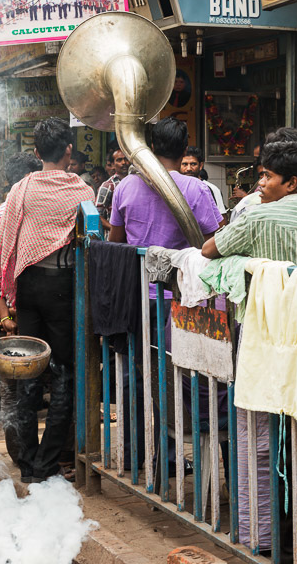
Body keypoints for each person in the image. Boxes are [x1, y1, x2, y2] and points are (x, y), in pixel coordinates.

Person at [202, 140, 297, 564]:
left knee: (276, 446)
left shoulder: (258, 217)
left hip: (272, 344)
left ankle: (278, 541)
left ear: (291, 182)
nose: (259, 183)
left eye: (267, 176)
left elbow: (209, 250)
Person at [109, 117, 223, 471]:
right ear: (185, 150)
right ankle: (170, 457)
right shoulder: (196, 189)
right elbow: (216, 241)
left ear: (151, 147)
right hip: (183, 302)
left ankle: (133, 455)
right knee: (178, 379)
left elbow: (115, 242)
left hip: (137, 297)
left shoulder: (126, 187)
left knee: (136, 374)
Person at [0, 118, 94, 484]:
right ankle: (47, 462)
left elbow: (7, 238)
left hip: (27, 286)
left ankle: (29, 461)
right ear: (69, 150)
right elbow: (89, 240)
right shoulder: (82, 190)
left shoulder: (23, 187)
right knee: (64, 373)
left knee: (28, 372)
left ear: (36, 152)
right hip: (63, 286)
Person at [0, 152, 42, 464]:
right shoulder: (16, 220)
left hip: (10, 316)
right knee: (23, 388)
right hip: (18, 318)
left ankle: (21, 455)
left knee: (13, 391)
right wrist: (7, 318)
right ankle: (32, 456)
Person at [180, 146, 227, 221]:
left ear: (201, 166)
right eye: (185, 164)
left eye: (193, 164)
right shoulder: (174, 187)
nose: (188, 168)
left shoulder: (211, 189)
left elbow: (222, 220)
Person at [96, 149, 129, 233]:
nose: (124, 162)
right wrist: (117, 231)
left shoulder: (137, 182)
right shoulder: (108, 186)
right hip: (115, 238)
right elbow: (97, 216)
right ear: (113, 164)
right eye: (119, 160)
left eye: (126, 159)